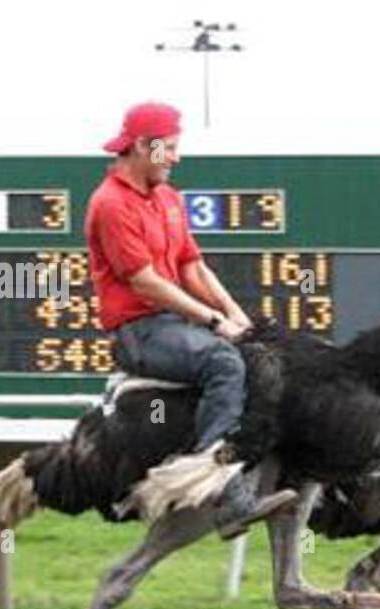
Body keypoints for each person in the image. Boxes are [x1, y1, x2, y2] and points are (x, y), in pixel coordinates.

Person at [85, 101, 295, 538]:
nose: (177, 158)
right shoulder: (110, 204)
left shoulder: (168, 199)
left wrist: (241, 320)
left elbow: (193, 269)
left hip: (177, 325)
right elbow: (146, 283)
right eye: (170, 149)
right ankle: (218, 487)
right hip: (141, 332)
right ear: (142, 146)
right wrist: (217, 323)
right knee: (225, 362)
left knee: (259, 352)